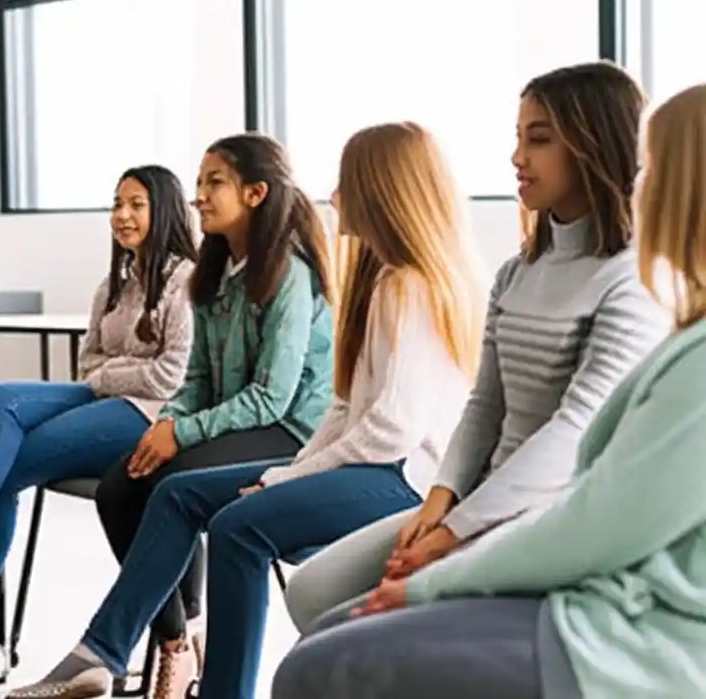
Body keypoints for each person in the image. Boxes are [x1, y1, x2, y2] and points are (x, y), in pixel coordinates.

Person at [10, 122, 486, 699]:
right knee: (175, 493)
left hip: (402, 476)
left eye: (347, 182)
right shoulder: (377, 281)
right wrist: (256, 462)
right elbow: (344, 408)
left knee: (236, 525)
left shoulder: (405, 288)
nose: (334, 197)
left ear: (384, 189)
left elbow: (390, 431)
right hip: (358, 460)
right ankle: (104, 652)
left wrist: (285, 475)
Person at [273, 81, 706, 699]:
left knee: (323, 656)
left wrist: (448, 550)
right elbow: (484, 405)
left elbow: (585, 475)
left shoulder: (637, 294)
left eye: (656, 167)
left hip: (554, 538)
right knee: (318, 601)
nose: (516, 159)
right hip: (494, 508)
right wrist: (438, 508)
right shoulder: (520, 272)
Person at [0, 166, 197, 676]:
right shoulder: (113, 284)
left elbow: (169, 376)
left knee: (1, 467)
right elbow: (86, 365)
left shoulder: (187, 282)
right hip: (107, 397)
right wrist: (114, 374)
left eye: (136, 204)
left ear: (166, 211)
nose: (122, 215)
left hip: (150, 416)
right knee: (2, 401)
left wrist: (112, 374)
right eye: (116, 204)